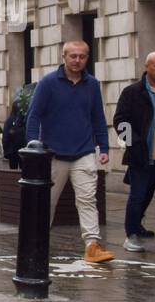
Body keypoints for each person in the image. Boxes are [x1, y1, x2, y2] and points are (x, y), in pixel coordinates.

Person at [24, 40, 113, 263]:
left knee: (87, 199)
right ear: (63, 57)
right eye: (73, 56)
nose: (77, 60)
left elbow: (98, 118)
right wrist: (33, 148)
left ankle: (92, 245)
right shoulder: (48, 83)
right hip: (53, 154)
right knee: (47, 202)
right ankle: (37, 244)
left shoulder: (92, 84)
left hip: (84, 152)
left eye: (82, 56)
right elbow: (33, 116)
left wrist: (104, 146)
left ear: (87, 58)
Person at [113, 52, 155, 254]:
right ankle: (131, 235)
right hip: (142, 158)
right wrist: (134, 146)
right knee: (137, 197)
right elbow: (121, 121)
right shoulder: (133, 92)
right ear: (147, 67)